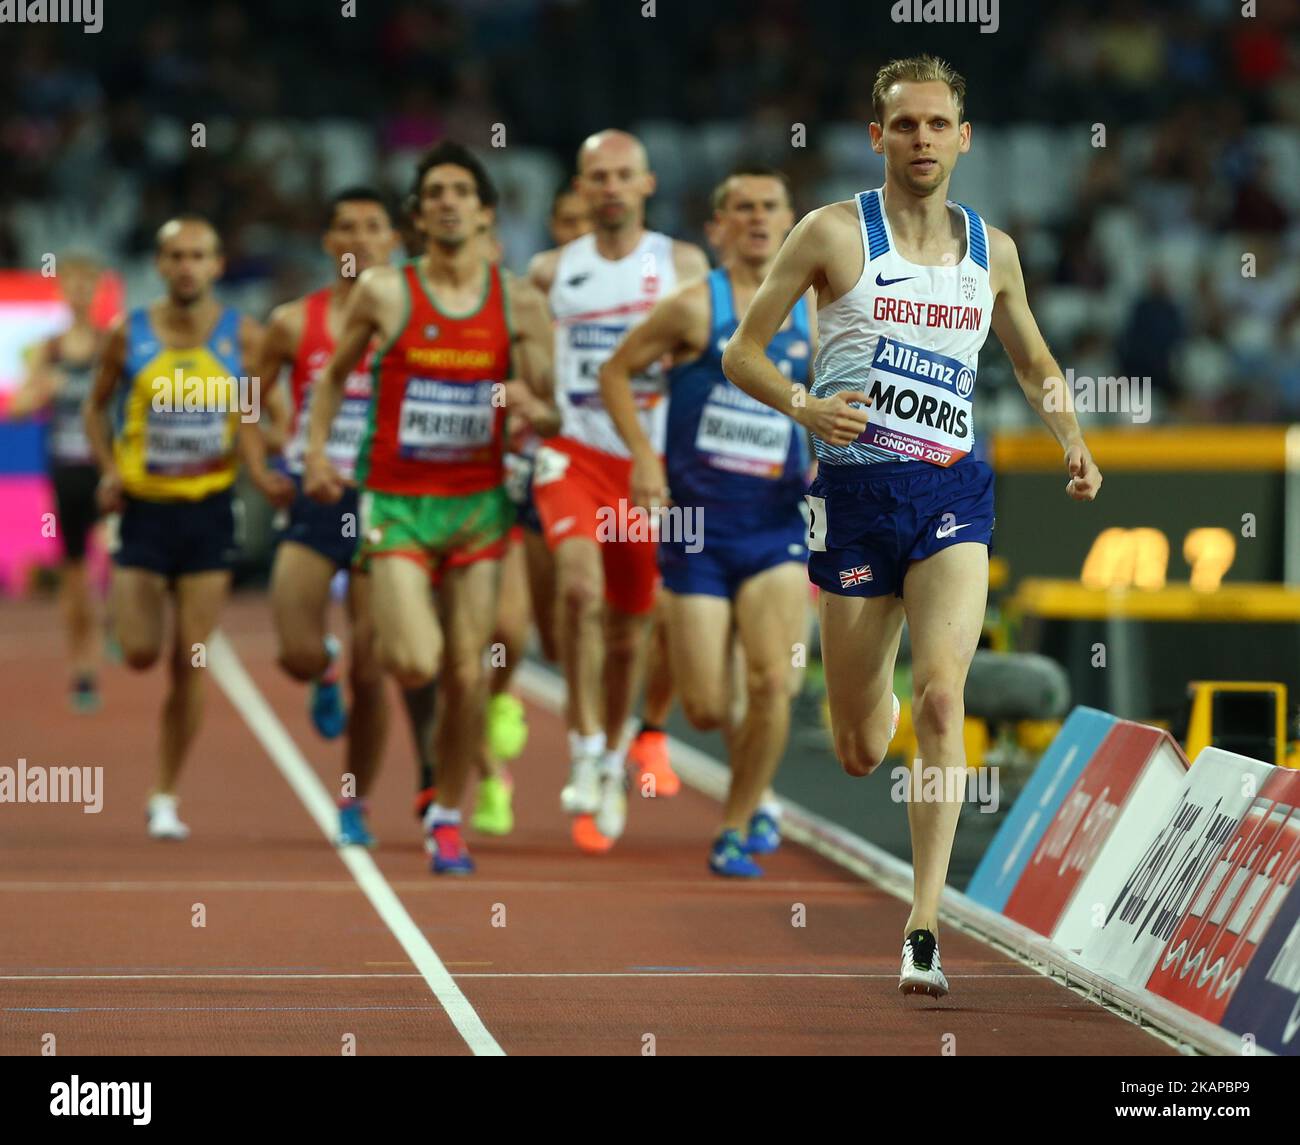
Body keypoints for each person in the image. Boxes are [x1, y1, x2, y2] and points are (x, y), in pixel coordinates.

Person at [721, 56, 1102, 995]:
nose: (923, 141)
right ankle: (868, 704)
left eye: (939, 126)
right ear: (878, 136)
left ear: (964, 139)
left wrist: (1072, 440)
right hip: (852, 503)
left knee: (943, 699)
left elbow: (1033, 356)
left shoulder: (993, 250)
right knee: (858, 745)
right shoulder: (831, 234)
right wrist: (806, 407)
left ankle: (924, 925)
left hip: (950, 496)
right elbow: (741, 353)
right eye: (906, 126)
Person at [305, 141, 556, 875]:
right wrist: (319, 453)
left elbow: (552, 403)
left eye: (460, 191)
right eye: (435, 192)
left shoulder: (521, 301)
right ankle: (429, 788)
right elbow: (332, 380)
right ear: (418, 216)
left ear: (484, 211)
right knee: (412, 659)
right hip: (397, 504)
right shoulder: (386, 292)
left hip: (478, 507)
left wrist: (536, 405)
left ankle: (446, 812)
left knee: (469, 673)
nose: (448, 201)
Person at [600, 168, 813, 877]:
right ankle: (680, 699)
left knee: (773, 681)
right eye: (742, 209)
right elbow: (615, 371)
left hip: (775, 524)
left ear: (789, 222)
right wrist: (642, 458)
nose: (757, 218)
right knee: (705, 704)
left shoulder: (817, 314)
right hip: (694, 526)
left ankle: (738, 817)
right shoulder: (695, 308)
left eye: (770, 207)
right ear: (718, 228)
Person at [528, 130, 709, 853]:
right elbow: (536, 365)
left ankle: (612, 753)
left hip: (649, 467)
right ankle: (580, 743)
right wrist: (525, 395)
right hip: (573, 456)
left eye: (621, 175)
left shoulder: (681, 264)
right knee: (578, 592)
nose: (608, 187)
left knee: (634, 624)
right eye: (596, 176)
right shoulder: (548, 271)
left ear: (646, 183)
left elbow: (705, 354)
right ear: (580, 185)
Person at [83, 217, 262, 840]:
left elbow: (254, 413)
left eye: (200, 256)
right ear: (160, 265)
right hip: (145, 510)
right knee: (138, 653)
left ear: (218, 266)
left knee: (191, 656)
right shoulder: (125, 335)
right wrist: (108, 470)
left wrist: (264, 474)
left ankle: (165, 794)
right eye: (176, 256)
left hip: (209, 512)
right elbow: (93, 405)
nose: (188, 267)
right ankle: (124, 617)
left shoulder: (245, 338)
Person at [240, 187, 399, 847]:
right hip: (316, 494)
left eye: (372, 227)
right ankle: (321, 667)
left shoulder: (413, 320)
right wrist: (258, 467)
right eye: (345, 228)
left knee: (376, 665)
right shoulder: (291, 321)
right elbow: (248, 394)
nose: (358, 239)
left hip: (386, 501)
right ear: (328, 244)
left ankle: (353, 799)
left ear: (393, 241)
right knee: (296, 652)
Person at [11, 254, 107, 712]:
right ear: (63, 291)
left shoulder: (113, 346)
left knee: (117, 558)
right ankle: (82, 668)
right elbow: (18, 408)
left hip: (108, 470)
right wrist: (39, 393)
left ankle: (118, 626)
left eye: (87, 283)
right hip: (66, 472)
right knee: (74, 575)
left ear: (98, 289)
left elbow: (136, 403)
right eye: (72, 283)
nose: (80, 291)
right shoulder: (47, 350)